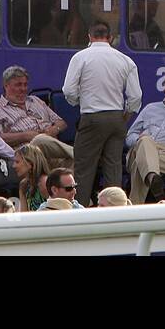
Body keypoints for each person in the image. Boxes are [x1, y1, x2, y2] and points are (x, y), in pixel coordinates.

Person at [62, 21, 142, 207]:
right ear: (111, 38)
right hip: (116, 118)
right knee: (113, 167)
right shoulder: (125, 60)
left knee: (84, 167)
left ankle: (79, 208)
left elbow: (69, 90)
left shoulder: (80, 57)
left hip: (91, 116)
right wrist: (125, 115)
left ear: (89, 37)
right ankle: (114, 209)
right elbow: (136, 96)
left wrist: (80, 103)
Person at [0, 65, 73, 166]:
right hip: (26, 154)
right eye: (18, 85)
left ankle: (74, 158)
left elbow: (61, 122)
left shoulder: (35, 100)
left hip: (51, 148)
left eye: (25, 84)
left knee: (73, 163)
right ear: (6, 85)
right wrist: (25, 136)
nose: (23, 88)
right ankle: (78, 154)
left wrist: (54, 129)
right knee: (39, 139)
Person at [126, 69, 165, 203]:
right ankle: (153, 177)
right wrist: (140, 141)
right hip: (145, 148)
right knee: (145, 142)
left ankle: (135, 207)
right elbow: (129, 136)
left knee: (141, 161)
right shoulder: (150, 109)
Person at [14, 142, 52, 211]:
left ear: (30, 163)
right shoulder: (24, 185)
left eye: (17, 162)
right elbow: (24, 215)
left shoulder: (45, 183)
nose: (14, 166)